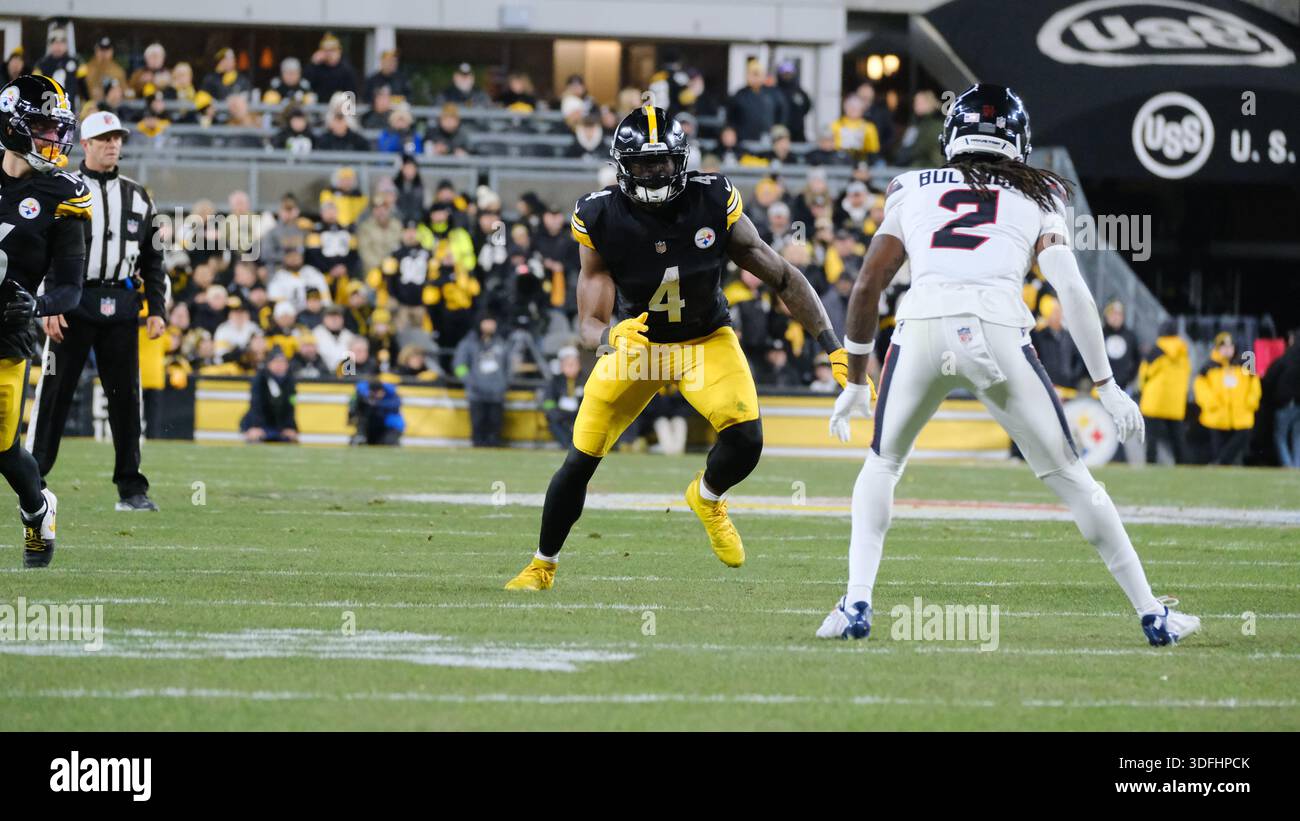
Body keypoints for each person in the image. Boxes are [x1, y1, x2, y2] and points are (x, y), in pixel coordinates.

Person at [820, 84, 1199, 647]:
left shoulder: (911, 186)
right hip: (997, 329)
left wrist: (854, 380)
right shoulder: (1040, 192)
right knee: (1073, 478)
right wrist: (1107, 383)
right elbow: (1072, 290)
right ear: (1017, 140)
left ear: (953, 135)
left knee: (882, 465)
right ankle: (1151, 614)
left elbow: (869, 282)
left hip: (921, 324)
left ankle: (856, 604)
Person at [503, 103, 851, 591]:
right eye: (643, 164)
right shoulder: (599, 215)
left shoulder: (712, 200)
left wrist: (832, 345)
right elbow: (587, 321)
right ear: (622, 166)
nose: (653, 173)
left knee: (747, 441)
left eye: (662, 162)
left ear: (681, 160)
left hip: (705, 337)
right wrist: (609, 336)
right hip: (638, 344)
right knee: (581, 459)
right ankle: (542, 565)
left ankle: (707, 497)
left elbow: (783, 276)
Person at [29, 109, 168, 512]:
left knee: (126, 400)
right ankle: (34, 480)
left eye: (117, 138)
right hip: (72, 304)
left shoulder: (138, 195)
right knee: (54, 395)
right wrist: (48, 304)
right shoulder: (63, 189)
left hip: (122, 305)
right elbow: (43, 253)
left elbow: (154, 258)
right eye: (104, 138)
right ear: (85, 144)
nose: (113, 144)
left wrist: (156, 308)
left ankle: (132, 488)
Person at [0, 75, 91, 565]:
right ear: (12, 126)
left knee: (2, 449)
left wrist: (34, 305)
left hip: (7, 332)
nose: (53, 139)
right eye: (40, 125)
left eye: (57, 129)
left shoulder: (62, 193)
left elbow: (70, 288)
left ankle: (37, 507)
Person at [1193, 332, 1261, 466]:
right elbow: (1200, 387)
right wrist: (1211, 403)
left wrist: (1251, 402)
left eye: (1230, 347)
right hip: (1217, 415)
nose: (1228, 350)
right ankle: (1220, 464)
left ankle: (1220, 462)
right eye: (1224, 347)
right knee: (1218, 448)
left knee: (1239, 440)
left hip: (1240, 414)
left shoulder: (1244, 365)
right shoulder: (1209, 366)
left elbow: (1255, 385)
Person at [1139, 319, 1191, 464]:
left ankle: (1151, 464)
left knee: (1152, 439)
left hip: (1154, 401)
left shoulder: (1156, 350)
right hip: (1175, 402)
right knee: (1178, 439)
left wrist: (1142, 388)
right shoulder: (1183, 351)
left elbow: (1145, 374)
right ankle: (1183, 466)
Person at [241, 348, 298, 442]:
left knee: (291, 437)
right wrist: (256, 426)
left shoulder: (290, 382)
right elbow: (256, 404)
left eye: (283, 362)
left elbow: (291, 405)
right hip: (259, 423)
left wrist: (290, 426)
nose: (280, 365)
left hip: (280, 425)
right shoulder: (260, 379)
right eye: (276, 362)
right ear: (269, 364)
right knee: (255, 437)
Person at [1264, 329, 1300, 467]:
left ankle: (1289, 467)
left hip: (1286, 404)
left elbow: (1269, 378)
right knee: (1297, 438)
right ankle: (1297, 467)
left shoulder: (1287, 358)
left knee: (1280, 437)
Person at [349, 376, 403, 445]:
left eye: (377, 393)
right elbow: (354, 405)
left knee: (388, 442)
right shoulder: (364, 396)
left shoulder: (391, 395)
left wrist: (377, 404)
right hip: (372, 426)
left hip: (390, 427)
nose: (376, 395)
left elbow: (396, 404)